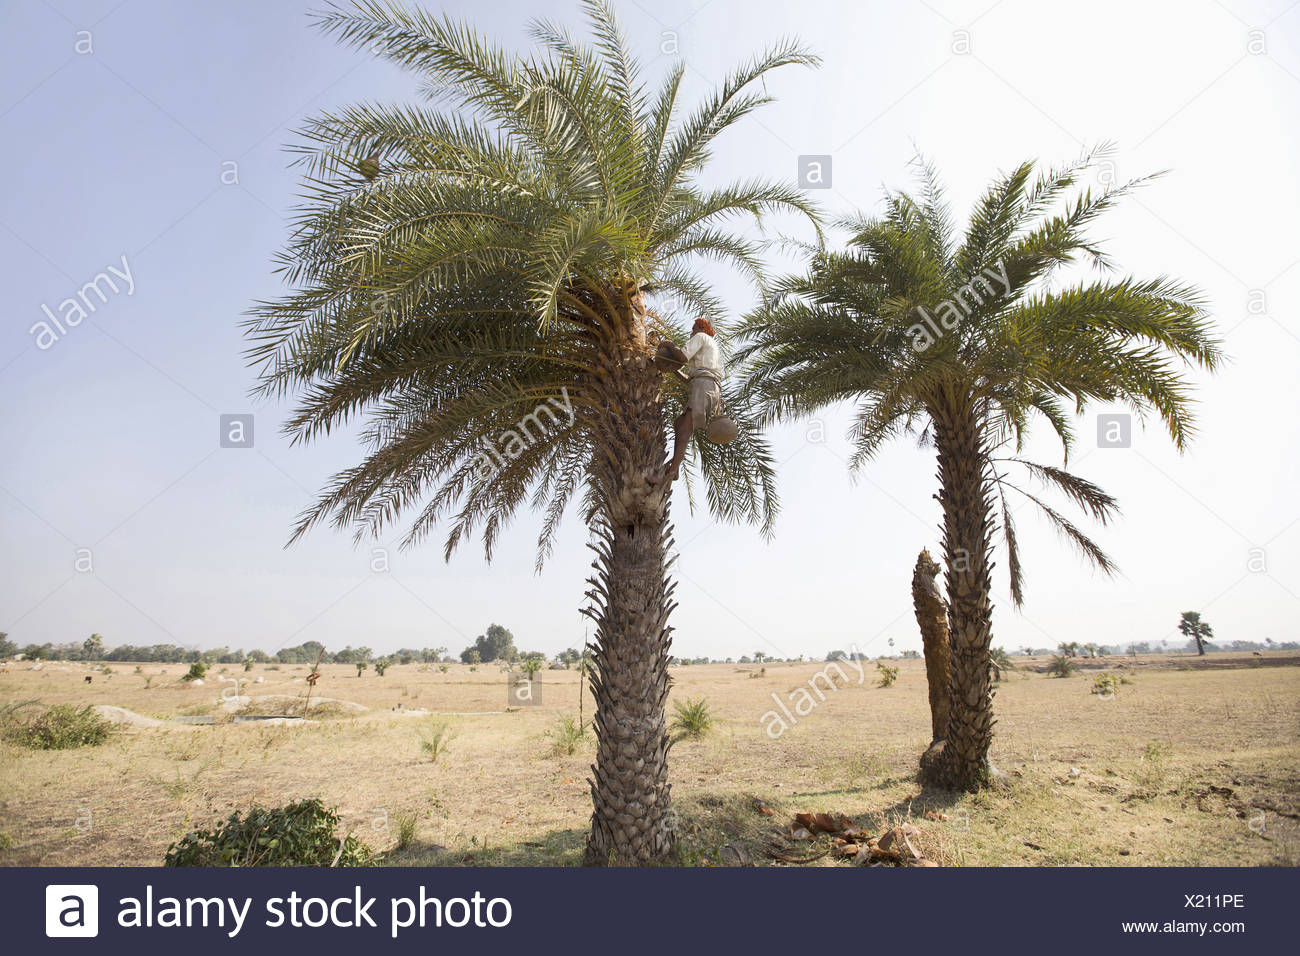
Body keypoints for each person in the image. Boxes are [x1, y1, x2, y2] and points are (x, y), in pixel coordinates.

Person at [668, 318, 722, 481]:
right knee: (679, 423)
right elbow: (689, 380)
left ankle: (672, 471)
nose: (691, 333)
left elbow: (682, 357)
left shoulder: (701, 337)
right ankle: (674, 467)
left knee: (685, 428)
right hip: (706, 386)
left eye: (693, 329)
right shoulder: (709, 348)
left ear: (701, 329)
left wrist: (667, 344)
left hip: (704, 386)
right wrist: (673, 370)